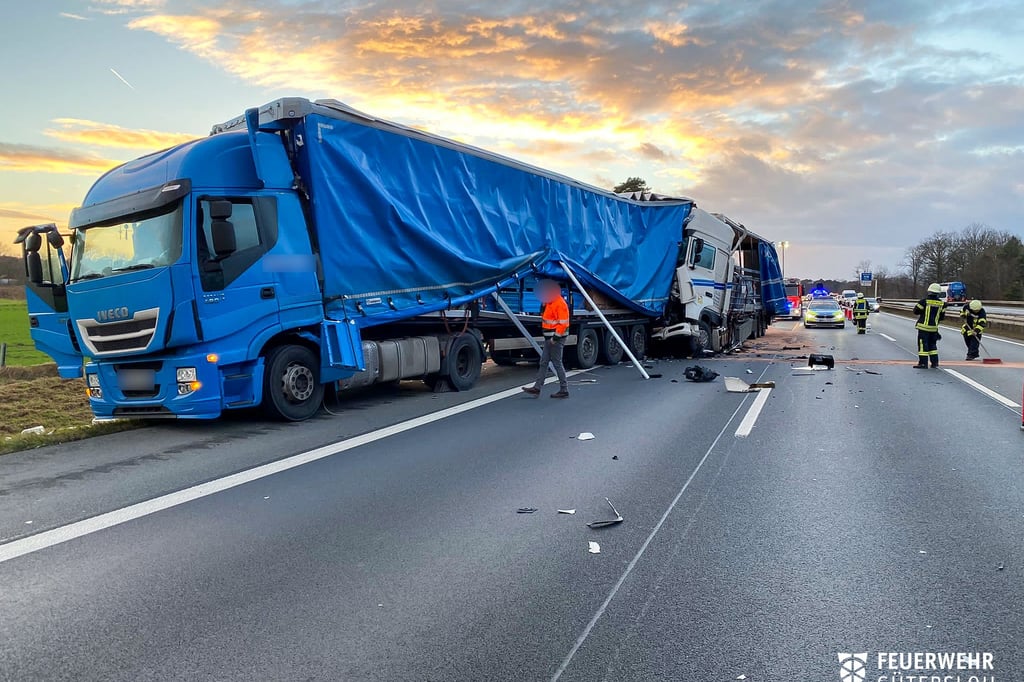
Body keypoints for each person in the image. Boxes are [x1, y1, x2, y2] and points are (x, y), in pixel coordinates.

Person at [522, 279, 570, 398]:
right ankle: (537, 388)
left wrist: (555, 338)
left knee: (557, 363)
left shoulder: (559, 303)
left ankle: (564, 389)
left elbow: (563, 324)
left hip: (555, 339)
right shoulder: (549, 303)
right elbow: (544, 317)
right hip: (549, 338)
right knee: (544, 362)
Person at [913, 283, 946, 368]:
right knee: (932, 345)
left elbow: (916, 311)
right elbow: (941, 317)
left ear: (929, 291)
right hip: (934, 328)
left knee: (923, 345)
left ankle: (923, 363)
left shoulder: (924, 301)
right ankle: (935, 363)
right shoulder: (942, 304)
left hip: (923, 328)